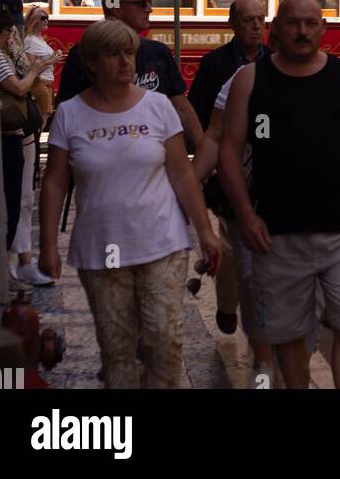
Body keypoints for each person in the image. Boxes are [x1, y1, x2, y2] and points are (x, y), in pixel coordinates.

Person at [220, 0, 340, 391]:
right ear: (276, 30)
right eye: (292, 23)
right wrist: (245, 214)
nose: (302, 31)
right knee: (288, 332)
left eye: (310, 23)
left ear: (323, 28)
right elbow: (229, 151)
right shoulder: (251, 79)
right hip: (277, 234)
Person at [39, 19, 221, 389]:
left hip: (162, 243)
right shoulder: (71, 114)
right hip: (102, 249)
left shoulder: (157, 107)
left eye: (129, 53)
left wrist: (204, 230)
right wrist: (46, 246)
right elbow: (55, 181)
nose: (125, 62)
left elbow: (182, 174)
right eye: (113, 54)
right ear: (91, 63)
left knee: (164, 341)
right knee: (116, 351)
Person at [187, 0, 268, 334]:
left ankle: (259, 323)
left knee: (259, 255)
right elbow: (201, 119)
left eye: (261, 19)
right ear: (232, 24)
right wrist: (204, 169)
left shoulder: (275, 62)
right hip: (228, 171)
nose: (255, 26)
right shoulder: (215, 64)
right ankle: (227, 305)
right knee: (232, 245)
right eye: (248, 20)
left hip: (264, 177)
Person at [57, 0, 203, 151]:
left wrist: (204, 155)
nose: (149, 9)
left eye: (149, 2)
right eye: (141, 4)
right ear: (117, 9)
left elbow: (182, 108)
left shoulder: (159, 52)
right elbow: (66, 111)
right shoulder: (84, 53)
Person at [0, 4, 53, 265]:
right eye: (6, 33)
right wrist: (34, 71)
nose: (8, 39)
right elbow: (19, 88)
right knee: (10, 201)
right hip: (6, 131)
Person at [24, 7, 58, 125]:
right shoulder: (30, 40)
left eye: (47, 18)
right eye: (43, 18)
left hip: (48, 82)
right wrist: (51, 61)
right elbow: (31, 68)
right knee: (42, 116)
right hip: (39, 82)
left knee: (46, 114)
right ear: (34, 20)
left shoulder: (40, 39)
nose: (46, 20)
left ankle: (36, 141)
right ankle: (36, 142)